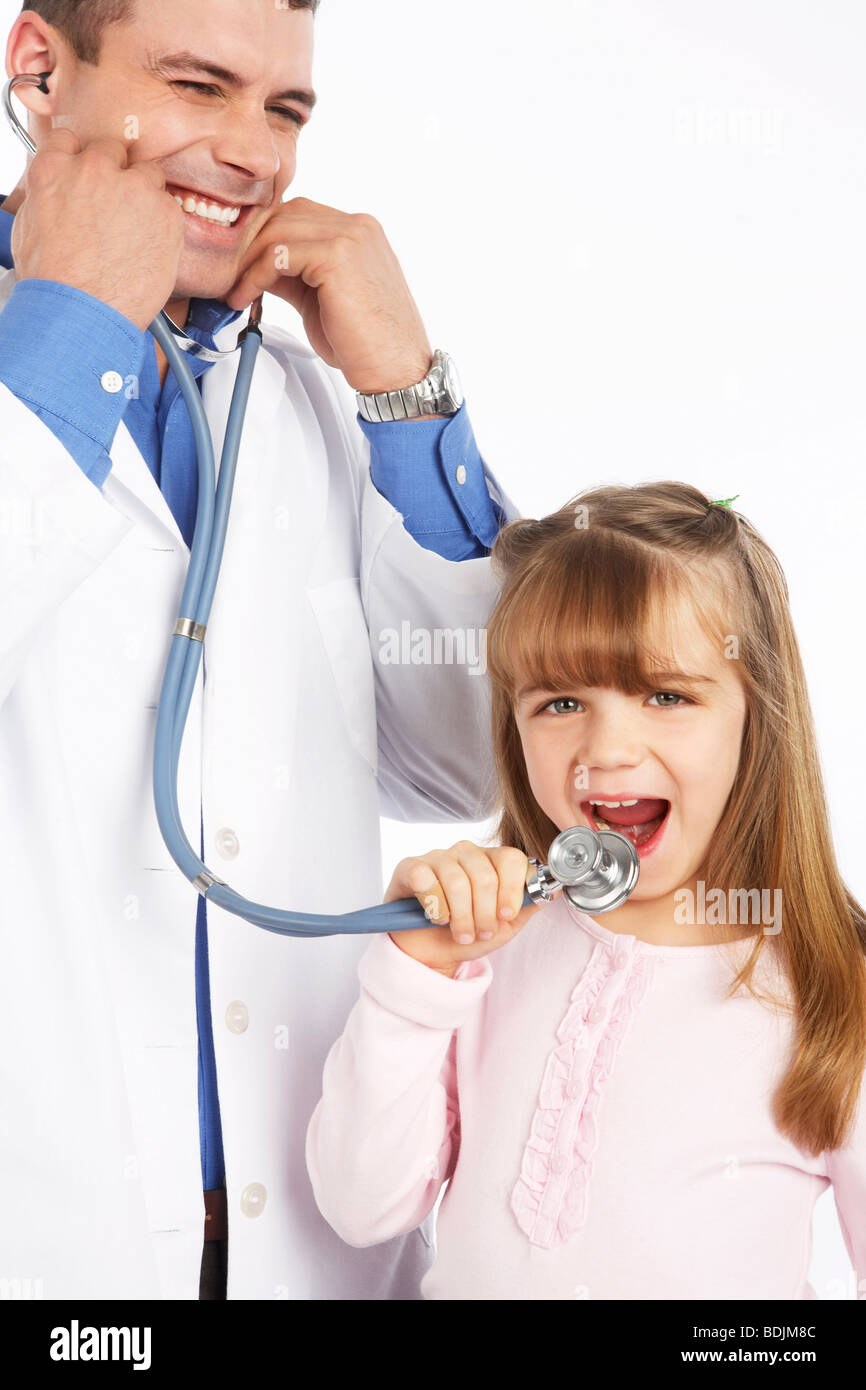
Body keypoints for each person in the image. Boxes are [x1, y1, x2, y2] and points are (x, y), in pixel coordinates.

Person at [0, 0, 520, 1299]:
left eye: (284, 110)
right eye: (198, 87)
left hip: (311, 1246)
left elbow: (470, 757)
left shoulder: (301, 403)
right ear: (39, 68)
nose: (250, 153)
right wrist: (66, 336)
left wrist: (404, 391)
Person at [306, 482, 866, 1300]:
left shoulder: (833, 984)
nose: (606, 749)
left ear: (758, 715)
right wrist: (417, 976)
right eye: (561, 701)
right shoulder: (489, 951)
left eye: (667, 695)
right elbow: (362, 1207)